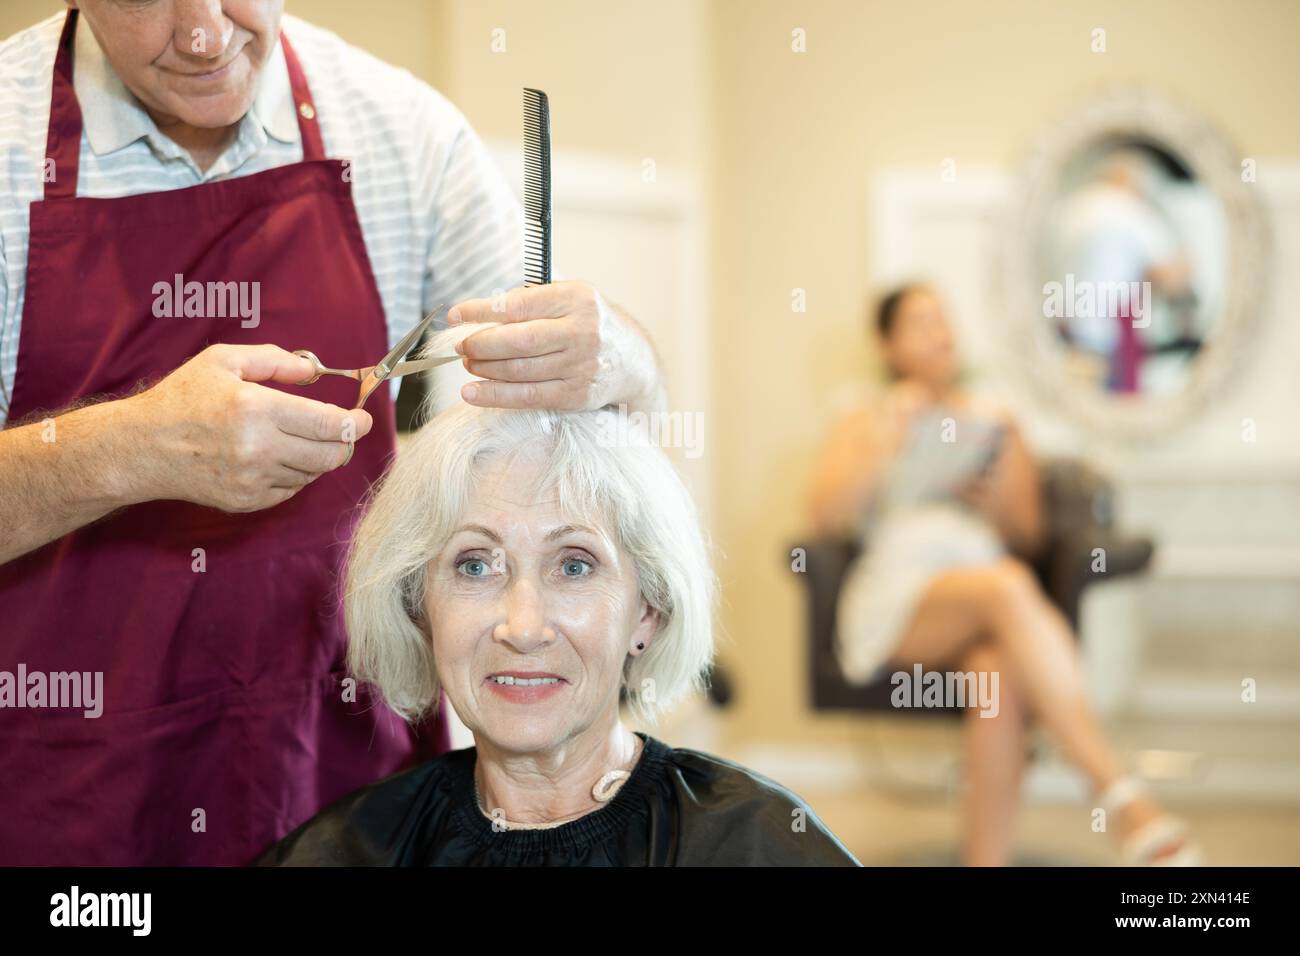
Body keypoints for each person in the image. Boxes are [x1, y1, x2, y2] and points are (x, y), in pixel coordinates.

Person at [0, 2, 665, 865]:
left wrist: (628, 361)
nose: (205, 34)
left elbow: (575, 422)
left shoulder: (402, 135)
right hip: (72, 786)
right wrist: (129, 451)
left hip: (350, 773)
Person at [257, 323, 861, 866]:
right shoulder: (348, 851)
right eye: (474, 566)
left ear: (646, 609)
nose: (523, 626)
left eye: (574, 566)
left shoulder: (754, 846)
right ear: (418, 605)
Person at [807, 283, 1200, 866]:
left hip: (982, 579)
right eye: (920, 324)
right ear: (887, 345)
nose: (940, 334)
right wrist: (890, 435)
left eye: (944, 321)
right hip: (902, 596)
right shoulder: (866, 414)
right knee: (1009, 585)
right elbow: (822, 516)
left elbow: (1028, 536)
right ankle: (1122, 798)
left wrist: (990, 498)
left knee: (995, 671)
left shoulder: (994, 418)